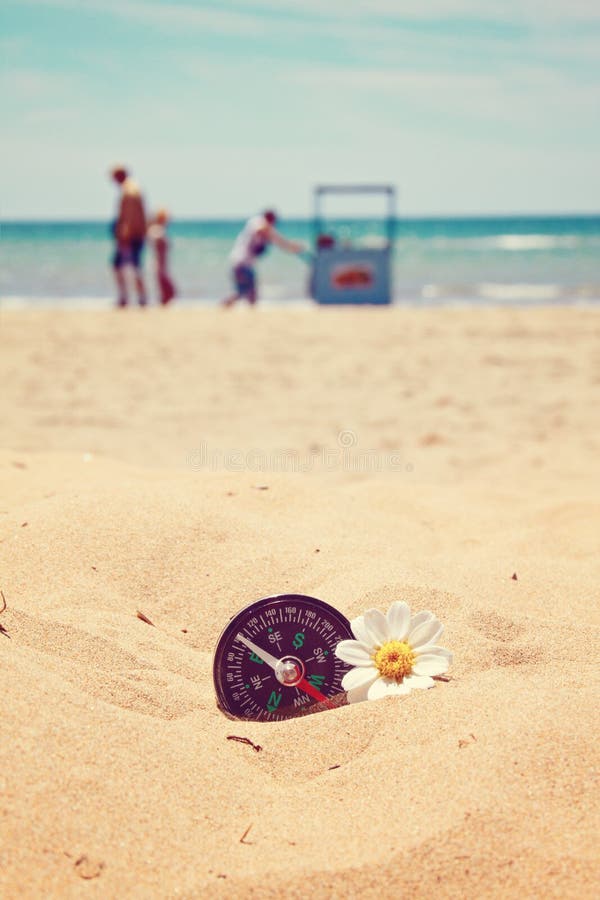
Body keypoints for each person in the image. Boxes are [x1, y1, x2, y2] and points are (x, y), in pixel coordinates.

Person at [221, 210, 304, 307]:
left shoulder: (264, 228)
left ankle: (226, 305)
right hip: (241, 262)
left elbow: (273, 238)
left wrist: (290, 247)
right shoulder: (257, 222)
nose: (273, 224)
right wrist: (288, 245)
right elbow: (266, 232)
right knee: (249, 293)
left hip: (244, 263)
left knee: (244, 292)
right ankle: (231, 306)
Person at [109, 165, 148, 308]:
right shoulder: (133, 188)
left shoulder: (129, 190)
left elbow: (129, 217)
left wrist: (124, 234)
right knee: (132, 266)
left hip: (130, 236)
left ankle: (128, 297)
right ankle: (138, 297)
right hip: (135, 235)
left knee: (125, 267)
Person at [147, 209, 176, 305]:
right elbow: (155, 239)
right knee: (161, 276)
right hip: (159, 257)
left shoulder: (157, 229)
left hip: (161, 257)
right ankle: (166, 297)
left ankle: (166, 297)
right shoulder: (157, 229)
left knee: (162, 276)